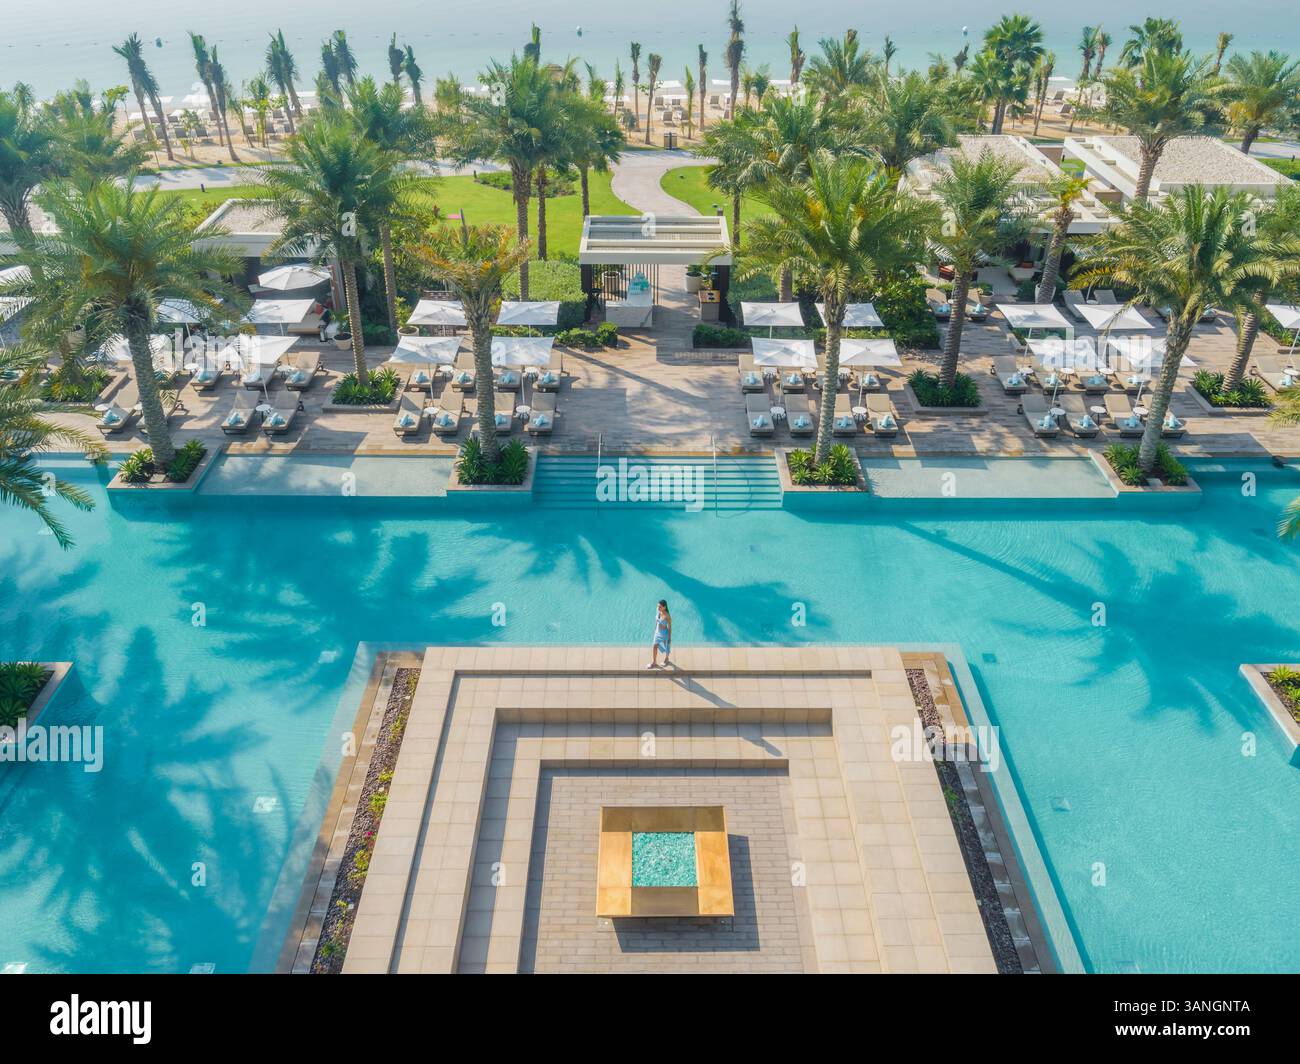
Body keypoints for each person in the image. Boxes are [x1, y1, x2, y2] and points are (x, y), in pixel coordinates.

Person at [647, 600, 672, 668]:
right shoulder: (658, 611)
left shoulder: (667, 616)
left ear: (664, 607)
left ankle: (667, 659)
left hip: (664, 634)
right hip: (657, 632)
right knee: (654, 646)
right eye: (658, 606)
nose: (658, 608)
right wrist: (655, 630)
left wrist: (669, 637)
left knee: (666, 647)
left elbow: (669, 627)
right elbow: (657, 622)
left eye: (660, 607)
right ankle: (654, 662)